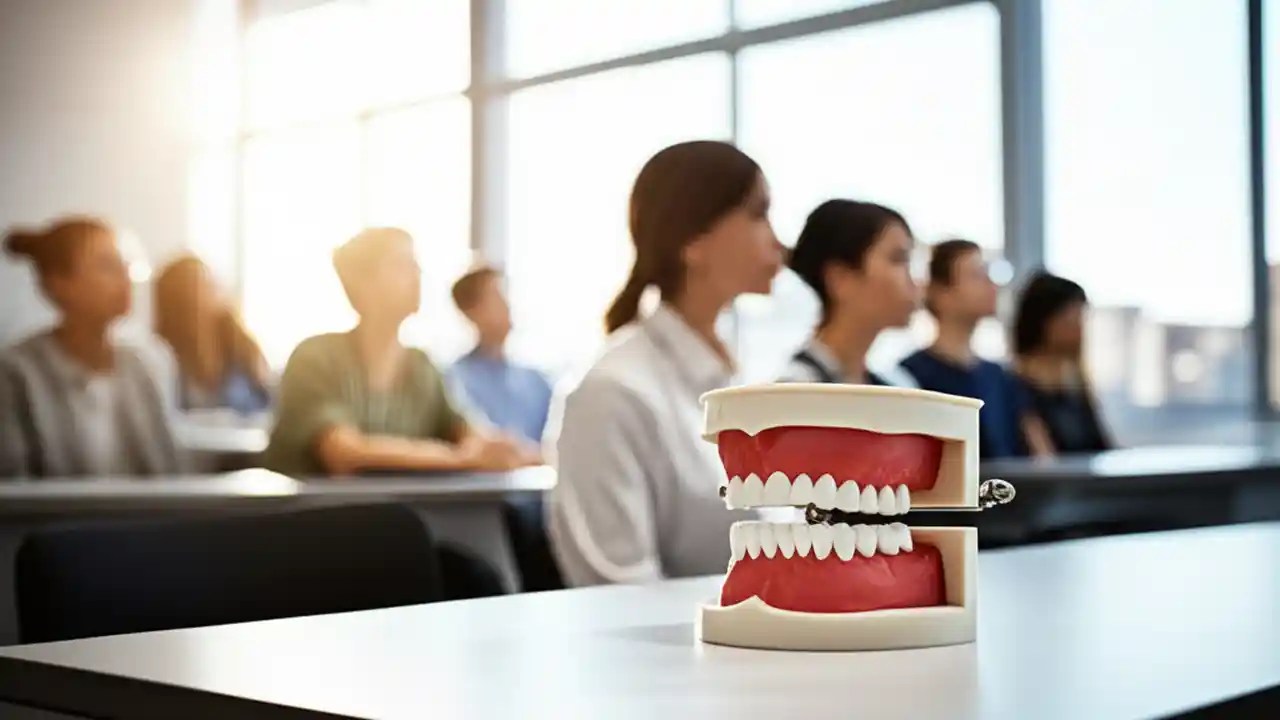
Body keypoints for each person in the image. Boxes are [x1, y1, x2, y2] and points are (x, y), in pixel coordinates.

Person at [548, 140, 785, 586]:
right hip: (679, 652)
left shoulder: (731, 379)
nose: (779, 242)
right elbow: (618, 592)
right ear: (693, 241)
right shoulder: (613, 391)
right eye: (758, 214)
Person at [263, 227, 537, 477]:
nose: (417, 274)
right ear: (362, 282)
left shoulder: (422, 367)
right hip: (308, 521)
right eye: (401, 265)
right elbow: (345, 454)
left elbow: (474, 437)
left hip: (391, 518)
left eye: (415, 265)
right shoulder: (314, 358)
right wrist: (464, 459)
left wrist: (512, 453)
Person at [0, 217, 184, 477]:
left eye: (124, 265)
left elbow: (168, 472)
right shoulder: (15, 371)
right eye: (107, 266)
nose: (124, 278)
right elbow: (14, 488)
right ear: (56, 283)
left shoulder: (143, 363)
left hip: (146, 518)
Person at [900, 239, 1053, 459]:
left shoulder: (1001, 376)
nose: (991, 285)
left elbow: (1041, 455)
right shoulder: (910, 375)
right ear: (941, 292)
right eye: (977, 275)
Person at [781, 200, 919, 385]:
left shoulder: (898, 386)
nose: (915, 281)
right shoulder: (793, 392)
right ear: (840, 278)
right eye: (897, 259)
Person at [447, 265, 553, 446]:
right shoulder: (455, 381)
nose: (506, 305)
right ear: (471, 312)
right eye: (496, 297)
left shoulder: (537, 382)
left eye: (506, 296)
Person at [153, 255, 271, 415]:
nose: (209, 289)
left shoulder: (243, 348)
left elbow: (270, 408)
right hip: (194, 440)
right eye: (196, 286)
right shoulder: (162, 358)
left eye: (208, 282)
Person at [1012, 271, 1113, 454]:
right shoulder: (1015, 388)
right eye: (1071, 316)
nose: (1080, 327)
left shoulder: (1076, 388)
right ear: (1044, 322)